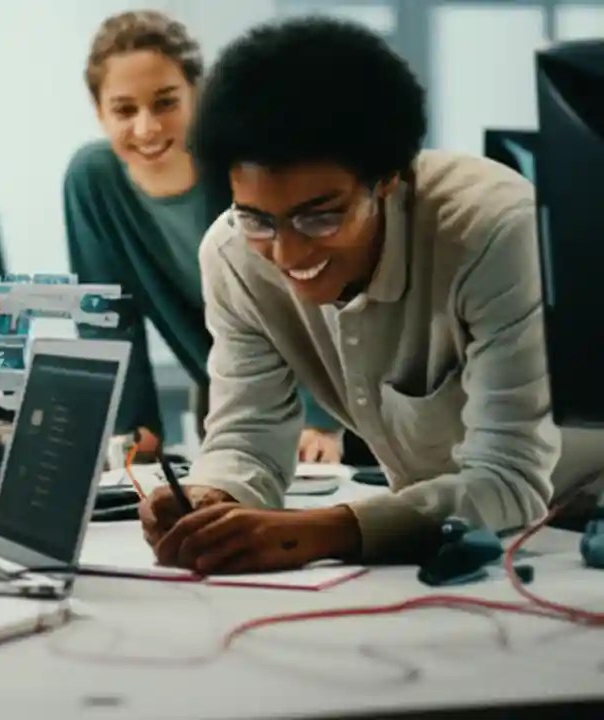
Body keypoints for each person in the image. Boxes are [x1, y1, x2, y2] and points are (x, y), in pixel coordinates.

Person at [139, 15, 604, 575]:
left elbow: (509, 479)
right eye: (259, 218)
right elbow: (247, 435)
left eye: (321, 217)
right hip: (450, 540)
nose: (287, 255)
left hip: (572, 529)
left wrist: (318, 533)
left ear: (389, 180)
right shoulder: (235, 254)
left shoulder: (492, 231)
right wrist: (214, 496)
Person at [62, 10, 345, 463]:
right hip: (235, 404)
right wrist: (133, 433)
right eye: (124, 109)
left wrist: (322, 418)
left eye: (166, 102)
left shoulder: (246, 164)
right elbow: (105, 314)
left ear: (197, 95)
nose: (147, 127)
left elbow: (308, 288)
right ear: (99, 111)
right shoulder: (93, 180)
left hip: (341, 401)